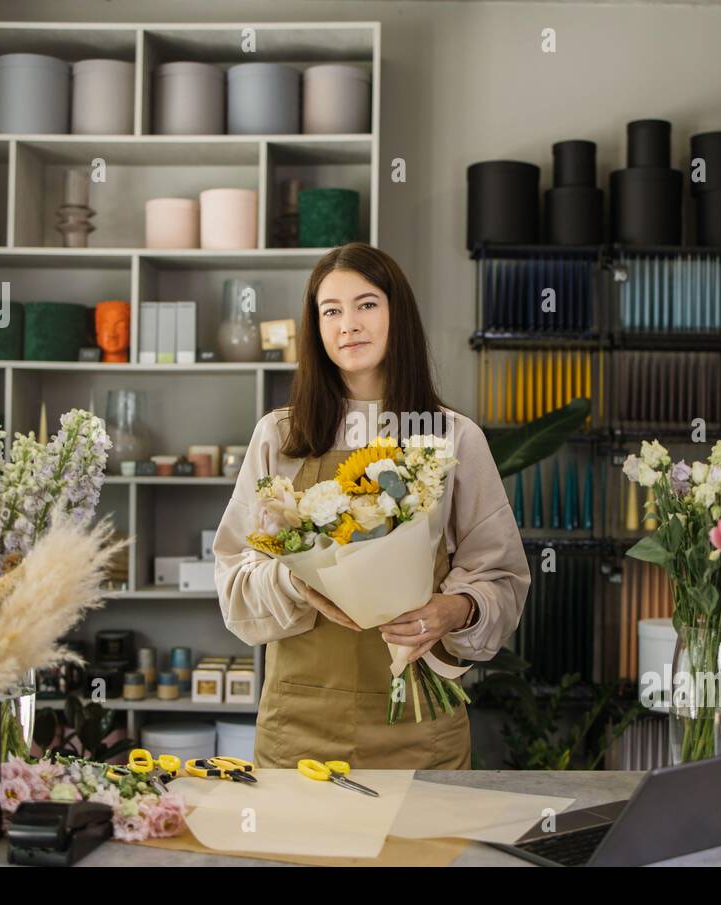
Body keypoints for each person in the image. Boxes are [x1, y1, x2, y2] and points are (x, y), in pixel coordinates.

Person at [212, 242, 530, 770]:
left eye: (366, 304)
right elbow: (233, 580)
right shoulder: (280, 435)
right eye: (330, 311)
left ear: (396, 313)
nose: (348, 325)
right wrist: (297, 581)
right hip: (300, 723)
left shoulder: (451, 437)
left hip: (419, 725)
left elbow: (503, 578)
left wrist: (452, 610)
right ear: (315, 328)